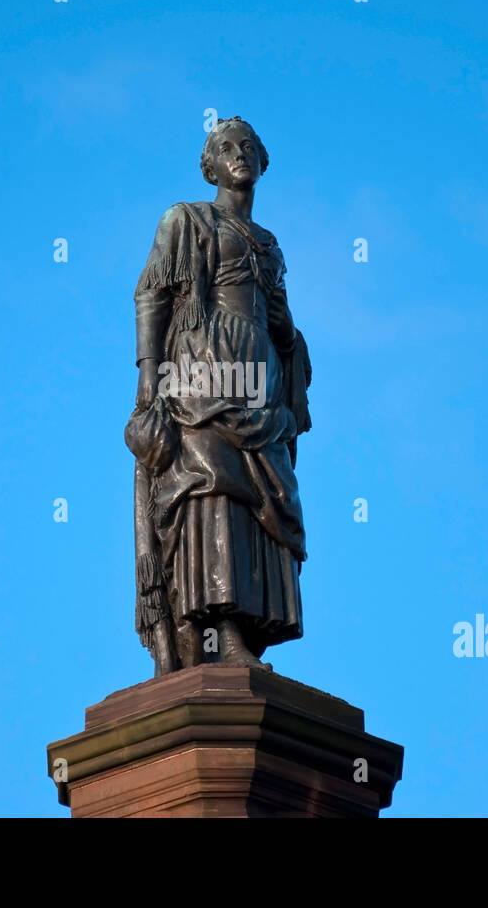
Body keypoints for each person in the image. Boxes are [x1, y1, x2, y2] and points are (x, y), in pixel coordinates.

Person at [126, 116, 311, 676]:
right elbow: (152, 297)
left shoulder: (269, 244)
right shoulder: (187, 220)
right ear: (208, 166)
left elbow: (282, 330)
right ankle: (219, 631)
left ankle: (248, 629)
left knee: (262, 504)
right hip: (203, 378)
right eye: (226, 148)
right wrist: (148, 389)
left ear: (263, 160)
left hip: (261, 387)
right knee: (216, 488)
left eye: (249, 146)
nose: (239, 154)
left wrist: (287, 340)